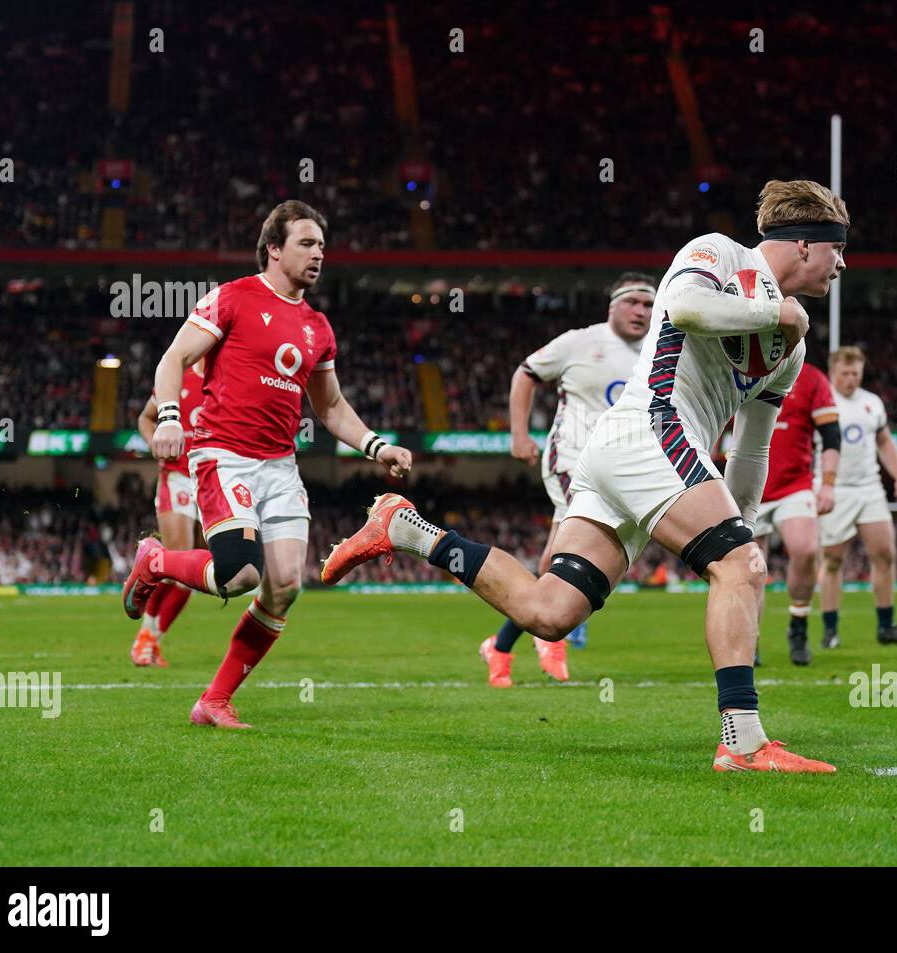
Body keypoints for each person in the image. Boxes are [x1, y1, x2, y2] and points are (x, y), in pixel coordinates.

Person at [324, 180, 848, 773]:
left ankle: (408, 529)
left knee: (550, 611)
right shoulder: (720, 254)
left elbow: (753, 449)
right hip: (650, 429)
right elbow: (685, 310)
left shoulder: (794, 347)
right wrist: (774, 310)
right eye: (838, 249)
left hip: (630, 452)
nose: (842, 264)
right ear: (804, 244)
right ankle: (744, 743)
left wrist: (744, 524)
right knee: (740, 567)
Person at [121, 200, 412, 728]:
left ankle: (213, 701)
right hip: (222, 455)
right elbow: (173, 359)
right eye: (306, 243)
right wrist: (168, 418)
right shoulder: (233, 297)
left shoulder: (317, 326)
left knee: (284, 587)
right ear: (273, 249)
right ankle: (156, 561)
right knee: (240, 576)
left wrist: (376, 445)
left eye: (322, 245)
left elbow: (330, 407)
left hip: (280, 466)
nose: (318, 253)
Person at [480, 273, 654, 687]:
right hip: (571, 461)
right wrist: (519, 434)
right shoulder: (579, 341)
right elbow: (526, 373)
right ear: (612, 306)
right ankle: (548, 641)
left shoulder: (657, 351)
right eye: (632, 302)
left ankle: (501, 647)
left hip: (621, 471)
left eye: (649, 305)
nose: (641, 312)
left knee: (564, 560)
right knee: (564, 555)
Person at [817, 346, 897, 649]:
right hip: (836, 489)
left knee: (885, 555)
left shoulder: (872, 403)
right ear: (833, 372)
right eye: (845, 373)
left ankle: (886, 626)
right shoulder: (822, 401)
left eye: (855, 373)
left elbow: (884, 442)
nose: (850, 379)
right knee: (833, 559)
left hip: (869, 487)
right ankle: (830, 630)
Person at [752, 360, 839, 665]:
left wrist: (827, 485)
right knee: (750, 569)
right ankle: (749, 641)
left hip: (794, 483)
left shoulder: (812, 377)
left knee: (805, 549)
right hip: (746, 483)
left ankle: (798, 627)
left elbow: (831, 435)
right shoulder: (738, 364)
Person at [129, 360, 205, 666]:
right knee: (180, 561)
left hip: (214, 480)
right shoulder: (177, 379)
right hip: (178, 478)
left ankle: (150, 638)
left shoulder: (231, 377)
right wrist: (154, 443)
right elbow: (146, 418)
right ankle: (147, 637)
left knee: (195, 574)